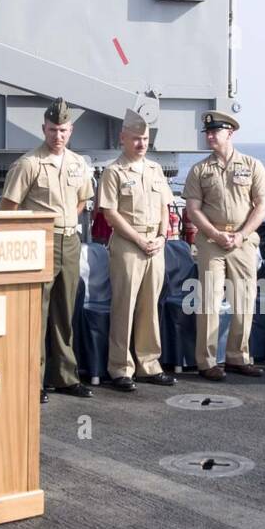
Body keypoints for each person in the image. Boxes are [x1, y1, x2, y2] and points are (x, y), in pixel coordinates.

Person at [0, 98, 94, 402]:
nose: (58, 136)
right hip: (40, 242)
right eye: (53, 130)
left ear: (71, 130)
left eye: (63, 130)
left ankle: (65, 376)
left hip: (69, 242)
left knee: (65, 312)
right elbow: (9, 207)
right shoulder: (28, 164)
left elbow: (82, 201)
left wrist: (69, 223)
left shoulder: (79, 164)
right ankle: (33, 379)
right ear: (44, 129)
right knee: (35, 314)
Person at [182, 109, 265, 381]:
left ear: (230, 133)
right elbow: (193, 208)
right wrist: (214, 233)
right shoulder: (200, 170)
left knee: (244, 300)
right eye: (207, 132)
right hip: (211, 241)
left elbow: (262, 205)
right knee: (209, 299)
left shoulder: (252, 165)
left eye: (214, 132)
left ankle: (238, 357)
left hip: (242, 242)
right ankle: (207, 361)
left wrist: (242, 234)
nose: (209, 136)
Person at [99, 108, 176, 391]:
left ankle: (149, 364)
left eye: (144, 138)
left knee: (149, 307)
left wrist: (161, 237)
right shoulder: (114, 171)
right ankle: (120, 368)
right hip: (128, 245)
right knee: (124, 307)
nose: (141, 144)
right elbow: (110, 213)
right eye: (135, 139)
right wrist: (140, 240)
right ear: (123, 139)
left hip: (154, 246)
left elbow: (165, 208)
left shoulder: (155, 170)